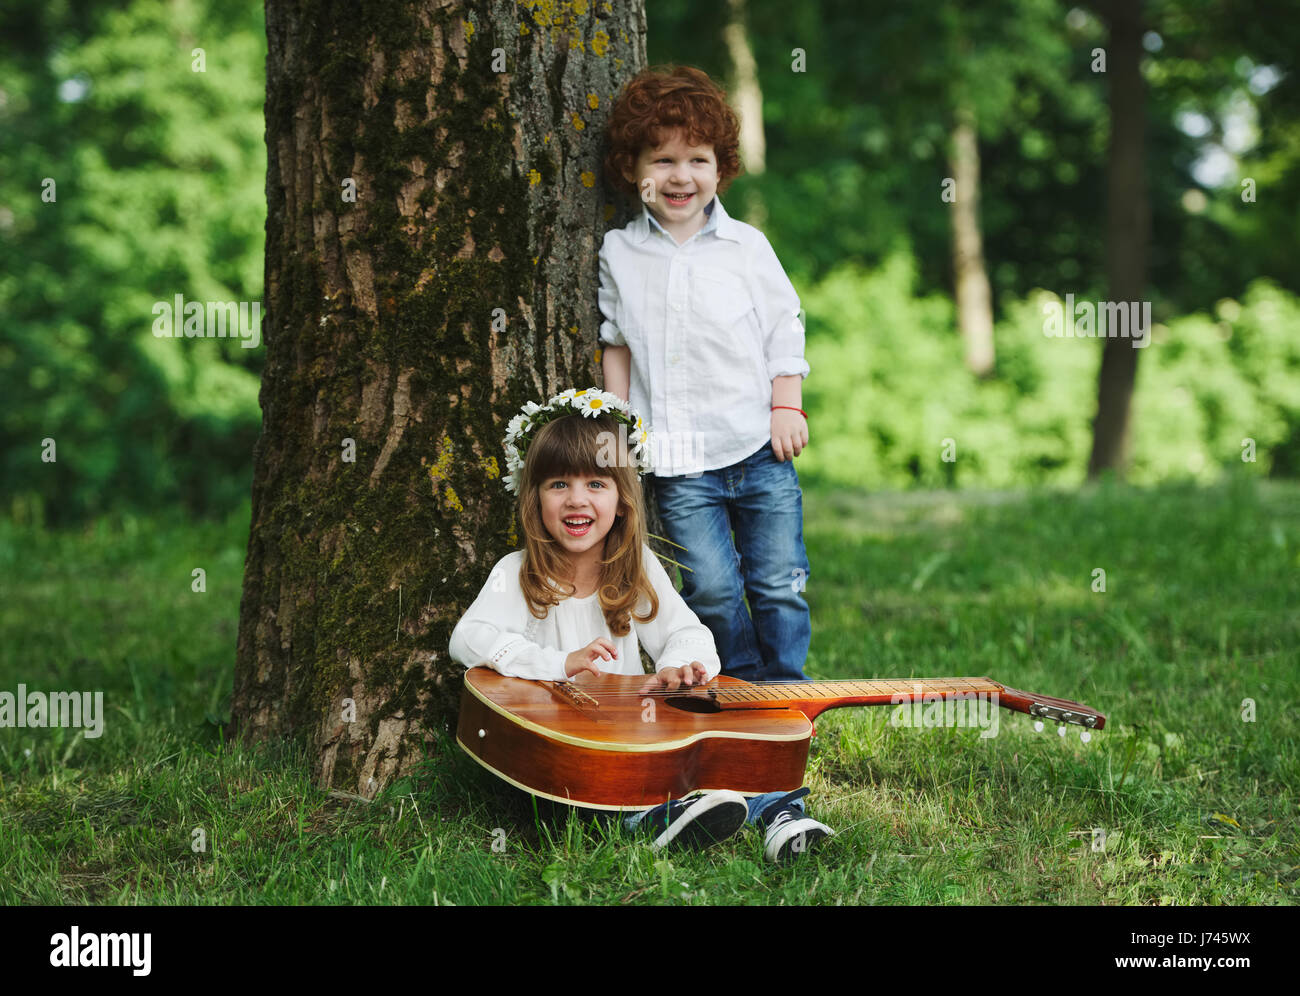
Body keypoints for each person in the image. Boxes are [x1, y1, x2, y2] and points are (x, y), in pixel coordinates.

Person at [449, 390, 832, 861]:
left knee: (710, 756)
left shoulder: (636, 569)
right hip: (563, 753)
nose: (576, 500)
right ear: (533, 498)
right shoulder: (517, 572)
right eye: (557, 484)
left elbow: (687, 632)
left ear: (622, 500)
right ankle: (662, 819)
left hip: (635, 734)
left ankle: (779, 818)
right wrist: (559, 663)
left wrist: (679, 665)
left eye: (596, 484)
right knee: (590, 794)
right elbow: (468, 637)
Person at [598, 65, 812, 685]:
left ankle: (789, 689)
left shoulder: (747, 247)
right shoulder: (619, 253)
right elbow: (617, 344)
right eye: (661, 160)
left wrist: (786, 404)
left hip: (757, 446)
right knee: (713, 588)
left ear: (721, 168)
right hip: (678, 462)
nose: (680, 176)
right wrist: (616, 426)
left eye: (697, 159)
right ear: (632, 169)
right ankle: (742, 685)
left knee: (779, 582)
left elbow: (783, 325)